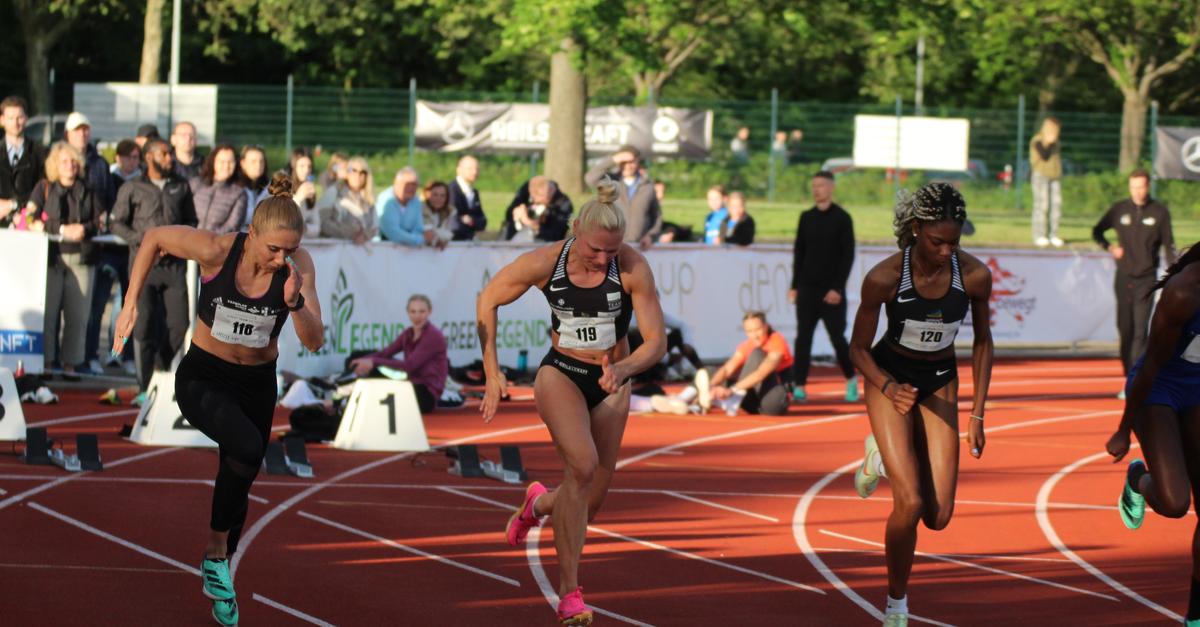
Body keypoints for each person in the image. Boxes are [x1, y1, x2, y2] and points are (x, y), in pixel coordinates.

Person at [111, 174, 323, 627]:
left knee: (241, 477)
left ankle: (221, 570)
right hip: (204, 377)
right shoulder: (218, 250)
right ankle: (213, 556)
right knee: (248, 449)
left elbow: (315, 340)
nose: (280, 258)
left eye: (289, 250)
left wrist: (296, 302)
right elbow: (152, 238)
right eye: (273, 250)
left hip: (257, 383)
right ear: (253, 235)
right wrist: (129, 302)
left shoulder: (297, 267)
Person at [477, 182, 666, 626]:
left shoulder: (634, 267)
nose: (603, 260)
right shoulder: (546, 262)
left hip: (612, 381)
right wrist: (491, 371)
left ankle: (538, 506)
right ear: (576, 229)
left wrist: (624, 369)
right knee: (580, 468)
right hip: (561, 372)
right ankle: (570, 595)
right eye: (596, 250)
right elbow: (488, 299)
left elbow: (657, 341)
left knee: (589, 502)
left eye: (612, 252)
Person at [847, 182, 993, 626]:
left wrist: (978, 413)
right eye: (937, 241)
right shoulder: (886, 277)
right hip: (890, 378)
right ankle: (896, 606)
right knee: (908, 503)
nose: (948, 250)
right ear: (915, 229)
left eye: (955, 241)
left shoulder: (973, 276)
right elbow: (857, 349)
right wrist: (888, 387)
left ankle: (881, 458)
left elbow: (983, 342)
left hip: (940, 382)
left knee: (939, 516)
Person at [1106, 241, 1200, 625]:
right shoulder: (1182, 294)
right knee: (1175, 503)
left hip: (1198, 389)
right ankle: (1138, 478)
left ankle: (1195, 616)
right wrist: (1123, 429)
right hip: (1159, 387)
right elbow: (1150, 367)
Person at [109, 138, 197, 404]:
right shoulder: (132, 187)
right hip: (143, 266)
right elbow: (116, 223)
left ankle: (159, 367)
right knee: (143, 326)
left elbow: (192, 221)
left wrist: (178, 243)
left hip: (174, 266)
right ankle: (144, 386)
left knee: (180, 324)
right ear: (149, 157)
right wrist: (144, 241)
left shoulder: (181, 185)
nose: (170, 158)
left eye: (171, 153)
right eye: (165, 153)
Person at [1093, 169, 1176, 391]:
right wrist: (1110, 247)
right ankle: (1128, 372)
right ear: (1129, 187)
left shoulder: (1160, 212)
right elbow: (1097, 231)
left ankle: (1134, 380)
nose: (1138, 192)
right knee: (1126, 330)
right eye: (1134, 187)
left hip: (1147, 279)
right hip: (1123, 277)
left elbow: (1169, 245)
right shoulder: (1119, 209)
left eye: (1142, 187)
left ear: (1148, 187)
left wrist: (1176, 274)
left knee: (1141, 331)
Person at [788, 171, 858, 403]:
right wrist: (795, 285)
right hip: (807, 288)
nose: (816, 189)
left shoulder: (842, 218)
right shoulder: (806, 217)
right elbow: (799, 252)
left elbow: (848, 256)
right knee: (803, 338)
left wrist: (837, 288)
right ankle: (799, 385)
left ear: (831, 188)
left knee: (837, 338)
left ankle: (850, 379)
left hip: (831, 291)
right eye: (814, 185)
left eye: (821, 185)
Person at [41, 142, 101, 378]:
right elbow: (35, 218)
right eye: (65, 161)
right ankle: (45, 362)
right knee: (48, 315)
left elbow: (100, 222)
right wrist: (64, 229)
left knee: (78, 316)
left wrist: (83, 229)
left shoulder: (90, 191)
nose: (70, 166)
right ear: (55, 165)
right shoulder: (44, 188)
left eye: (74, 161)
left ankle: (71, 364)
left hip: (82, 259)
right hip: (52, 260)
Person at [347, 294, 448, 413]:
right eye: (413, 312)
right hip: (410, 385)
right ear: (408, 313)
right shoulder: (408, 334)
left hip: (426, 393)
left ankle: (351, 397)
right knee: (358, 360)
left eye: (422, 311)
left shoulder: (433, 335)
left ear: (429, 312)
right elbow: (386, 353)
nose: (417, 316)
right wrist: (361, 361)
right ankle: (349, 392)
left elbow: (409, 366)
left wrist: (372, 362)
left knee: (375, 366)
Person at [699, 311, 793, 416]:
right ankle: (689, 398)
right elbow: (727, 369)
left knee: (757, 354)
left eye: (758, 330)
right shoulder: (747, 345)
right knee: (710, 371)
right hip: (751, 404)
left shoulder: (777, 341)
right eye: (750, 331)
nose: (754, 335)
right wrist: (711, 386)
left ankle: (732, 399)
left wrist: (731, 390)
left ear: (766, 327)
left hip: (774, 403)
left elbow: (761, 373)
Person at [584, 145, 661, 249]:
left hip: (639, 248)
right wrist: (613, 159)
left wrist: (651, 236)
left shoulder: (648, 186)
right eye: (623, 162)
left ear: (638, 162)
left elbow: (656, 216)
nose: (627, 166)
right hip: (611, 247)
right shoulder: (610, 182)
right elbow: (590, 178)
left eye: (631, 162)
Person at [0, 96, 46, 228]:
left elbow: (43, 189)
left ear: (26, 119)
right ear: (2, 120)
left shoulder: (40, 153)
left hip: (29, 226)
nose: (15, 123)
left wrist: (13, 204)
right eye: (10, 118)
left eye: (19, 117)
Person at [316, 156, 375, 244]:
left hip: (360, 252)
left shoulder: (368, 198)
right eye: (353, 170)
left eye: (363, 172)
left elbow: (374, 227)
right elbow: (322, 222)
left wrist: (365, 235)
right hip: (332, 249)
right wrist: (350, 232)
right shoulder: (334, 192)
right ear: (347, 172)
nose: (358, 175)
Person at [64, 111, 117, 211]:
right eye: (77, 130)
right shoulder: (57, 162)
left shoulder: (100, 164)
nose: (82, 134)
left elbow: (110, 198)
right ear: (67, 134)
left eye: (85, 129)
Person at [191, 144, 247, 235]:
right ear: (213, 162)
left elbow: (232, 226)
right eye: (222, 161)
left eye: (230, 161)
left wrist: (208, 240)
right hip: (188, 241)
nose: (226, 166)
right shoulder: (196, 183)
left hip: (216, 245)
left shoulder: (239, 193)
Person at [500, 175, 573, 243]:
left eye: (538, 201)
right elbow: (509, 214)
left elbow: (556, 236)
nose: (534, 202)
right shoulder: (528, 190)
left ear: (549, 193)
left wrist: (530, 223)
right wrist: (516, 213)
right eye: (531, 198)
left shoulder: (564, 205)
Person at [1030, 117, 1063, 247]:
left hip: (1055, 176)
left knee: (1056, 205)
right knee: (1042, 205)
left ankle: (1053, 234)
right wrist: (1048, 143)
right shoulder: (1037, 140)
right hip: (1040, 176)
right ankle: (1039, 235)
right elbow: (1044, 156)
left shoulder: (1057, 142)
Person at [377, 167, 425, 246]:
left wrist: (415, 239)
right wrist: (419, 240)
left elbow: (418, 228)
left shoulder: (416, 201)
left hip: (408, 252)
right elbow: (393, 233)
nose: (411, 188)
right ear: (396, 183)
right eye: (407, 184)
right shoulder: (386, 200)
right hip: (382, 248)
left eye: (414, 184)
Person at [448, 155, 486, 240]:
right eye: (470, 169)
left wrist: (471, 220)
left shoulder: (474, 192)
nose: (474, 172)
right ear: (459, 170)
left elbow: (483, 222)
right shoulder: (451, 190)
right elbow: (453, 222)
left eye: (477, 169)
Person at [285, 147, 320, 237]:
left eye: (309, 166)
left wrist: (305, 228)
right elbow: (281, 220)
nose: (307, 170)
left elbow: (317, 227)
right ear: (293, 166)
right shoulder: (282, 187)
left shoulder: (310, 189)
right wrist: (298, 198)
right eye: (302, 166)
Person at [238, 145, 270, 228]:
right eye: (253, 161)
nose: (258, 165)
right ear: (243, 164)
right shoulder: (236, 188)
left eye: (261, 161)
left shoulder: (270, 189)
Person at [421, 180, 454, 249]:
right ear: (427, 195)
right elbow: (428, 234)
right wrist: (437, 240)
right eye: (435, 195)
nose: (439, 199)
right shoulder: (422, 209)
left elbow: (448, 233)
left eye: (443, 196)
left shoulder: (448, 212)